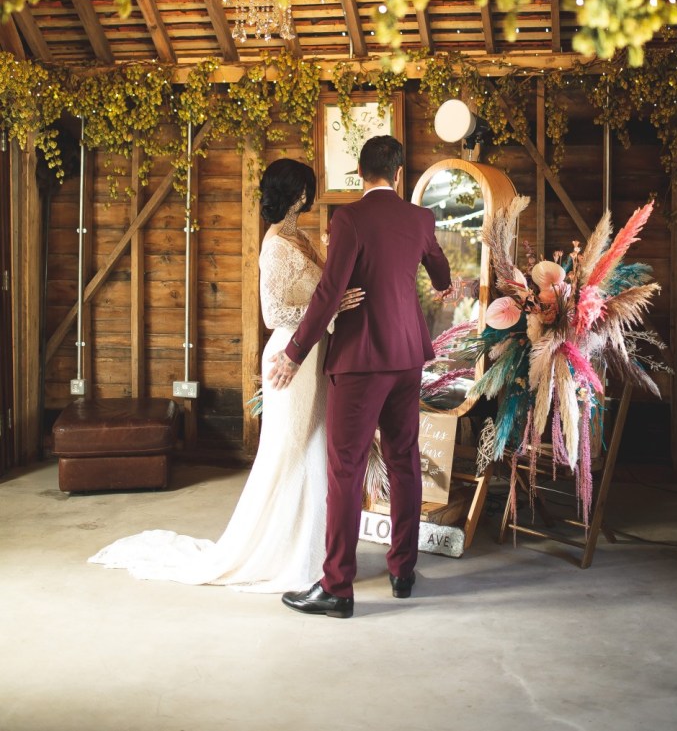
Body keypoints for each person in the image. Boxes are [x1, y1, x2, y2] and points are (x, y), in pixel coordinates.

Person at [88, 159, 362, 592]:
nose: (311, 197)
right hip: (291, 355)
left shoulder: (300, 236)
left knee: (314, 451)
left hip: (316, 355)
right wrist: (330, 311)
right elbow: (274, 315)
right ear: (299, 194)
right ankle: (276, 552)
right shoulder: (275, 246)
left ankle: (312, 553)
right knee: (286, 452)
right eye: (308, 189)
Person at [270, 135, 452, 619]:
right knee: (404, 461)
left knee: (346, 469)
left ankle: (337, 588)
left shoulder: (347, 218)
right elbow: (439, 270)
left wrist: (293, 352)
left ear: (359, 172)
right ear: (398, 175)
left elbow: (330, 293)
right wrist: (444, 285)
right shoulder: (419, 219)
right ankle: (403, 571)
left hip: (359, 362)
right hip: (408, 357)